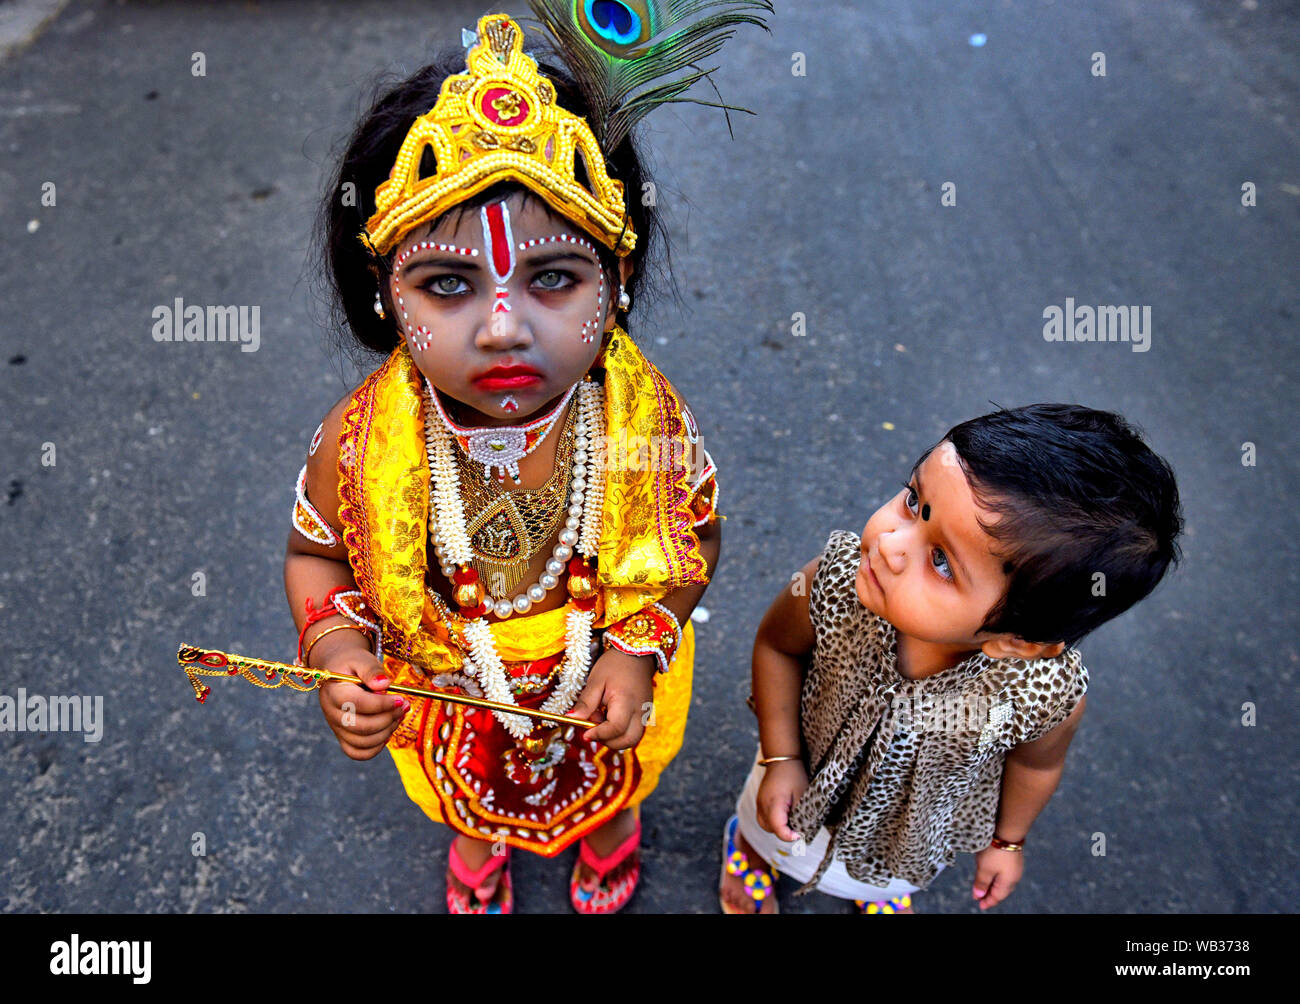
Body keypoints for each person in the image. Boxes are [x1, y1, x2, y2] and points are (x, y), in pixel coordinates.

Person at [283, 4, 768, 914]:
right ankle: (478, 843)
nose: (503, 325)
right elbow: (316, 555)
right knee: (470, 801)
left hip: (608, 674)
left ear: (617, 284)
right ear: (383, 296)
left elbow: (694, 540)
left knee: (616, 780)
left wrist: (635, 650)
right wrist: (339, 645)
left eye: (553, 278)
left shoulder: (647, 426)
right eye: (447, 284)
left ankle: (611, 833)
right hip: (454, 684)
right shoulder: (357, 447)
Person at [719, 404, 1183, 914]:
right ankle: (750, 851)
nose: (891, 544)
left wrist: (1008, 843)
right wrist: (781, 758)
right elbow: (777, 648)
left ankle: (875, 891)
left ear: (1019, 641)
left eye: (941, 561)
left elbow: (1036, 765)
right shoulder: (836, 584)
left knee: (885, 878)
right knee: (769, 828)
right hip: (795, 774)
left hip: (909, 833)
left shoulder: (1040, 696)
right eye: (915, 503)